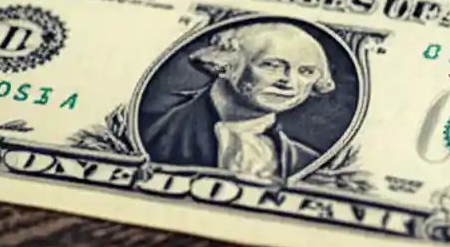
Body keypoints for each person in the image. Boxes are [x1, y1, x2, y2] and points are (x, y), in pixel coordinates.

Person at [140, 21, 336, 180]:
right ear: (225, 65)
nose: (289, 82)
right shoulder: (153, 132)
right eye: (272, 65)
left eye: (306, 72)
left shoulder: (307, 161)